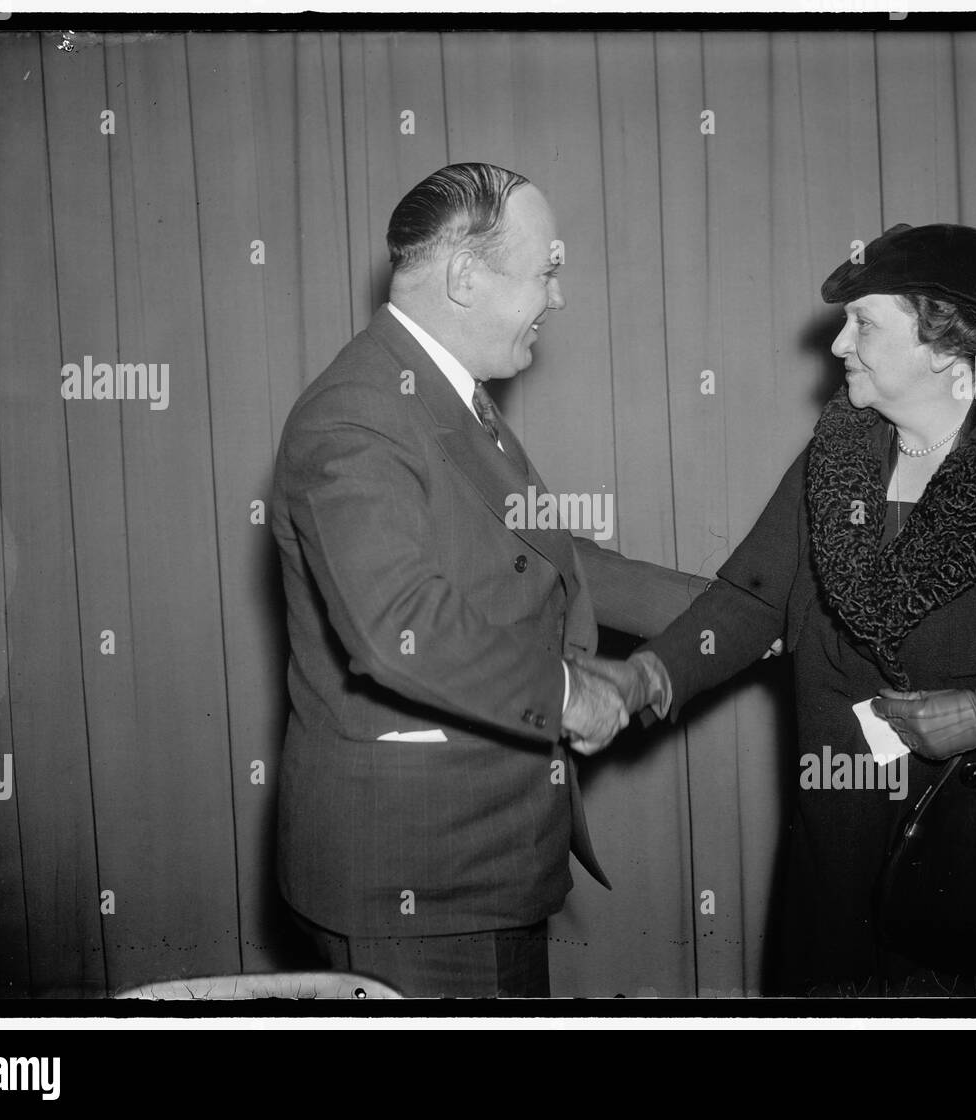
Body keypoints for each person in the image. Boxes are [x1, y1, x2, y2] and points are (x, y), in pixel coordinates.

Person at [587, 223, 976, 995]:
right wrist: (647, 678)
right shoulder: (839, 453)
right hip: (841, 842)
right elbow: (750, 602)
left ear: (944, 343)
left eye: (865, 324)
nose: (838, 345)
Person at [271, 163, 704, 997]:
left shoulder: (441, 392)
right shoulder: (356, 412)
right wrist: (573, 692)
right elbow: (402, 628)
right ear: (467, 277)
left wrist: (728, 610)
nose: (560, 296)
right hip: (423, 888)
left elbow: (549, 555)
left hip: (482, 857)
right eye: (547, 269)